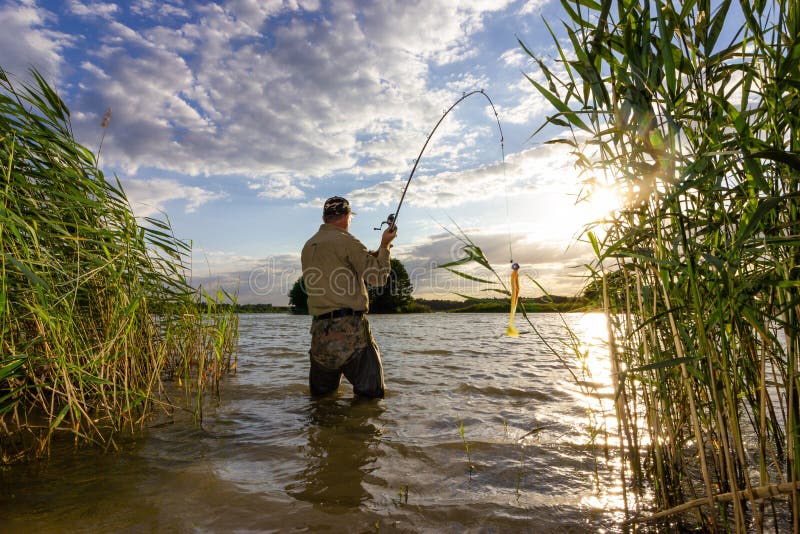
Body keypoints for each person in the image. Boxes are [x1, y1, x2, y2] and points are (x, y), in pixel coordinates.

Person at [300, 196, 398, 399]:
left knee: (322, 403)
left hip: (319, 334)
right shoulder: (347, 241)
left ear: (324, 218)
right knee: (371, 399)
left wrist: (369, 255)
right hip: (351, 332)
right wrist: (385, 246)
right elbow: (378, 278)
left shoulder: (308, 246)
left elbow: (336, 265)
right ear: (347, 216)